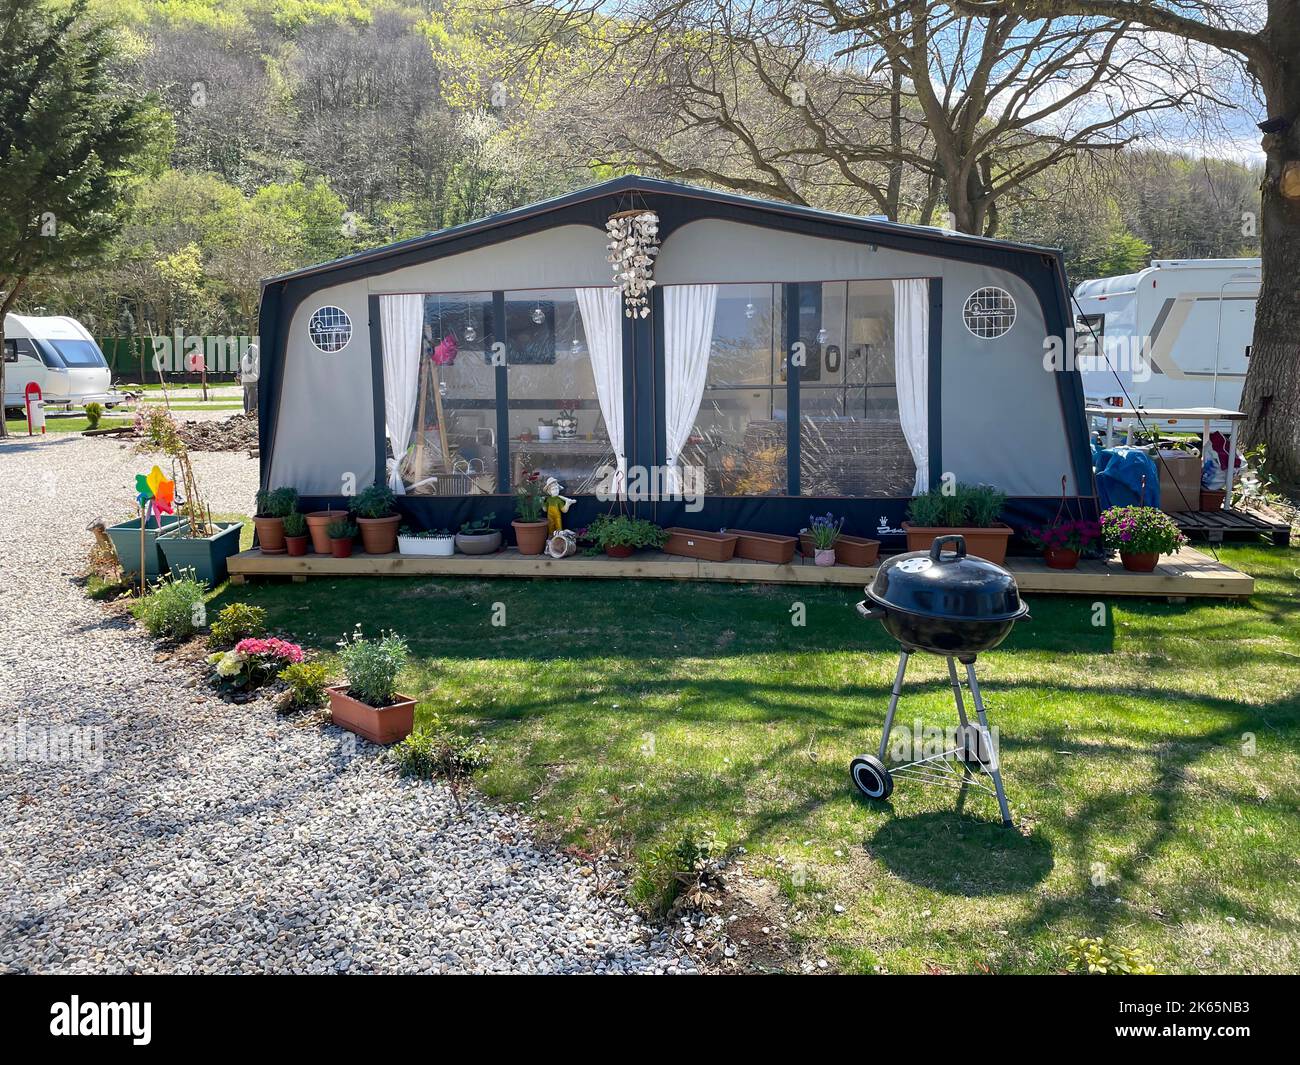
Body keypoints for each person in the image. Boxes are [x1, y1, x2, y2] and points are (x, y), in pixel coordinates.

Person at [240, 342, 259, 414]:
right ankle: (250, 414)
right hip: (251, 382)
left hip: (247, 381)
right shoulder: (248, 359)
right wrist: (257, 378)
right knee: (252, 400)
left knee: (247, 399)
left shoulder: (246, 358)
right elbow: (250, 373)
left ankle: (247, 413)